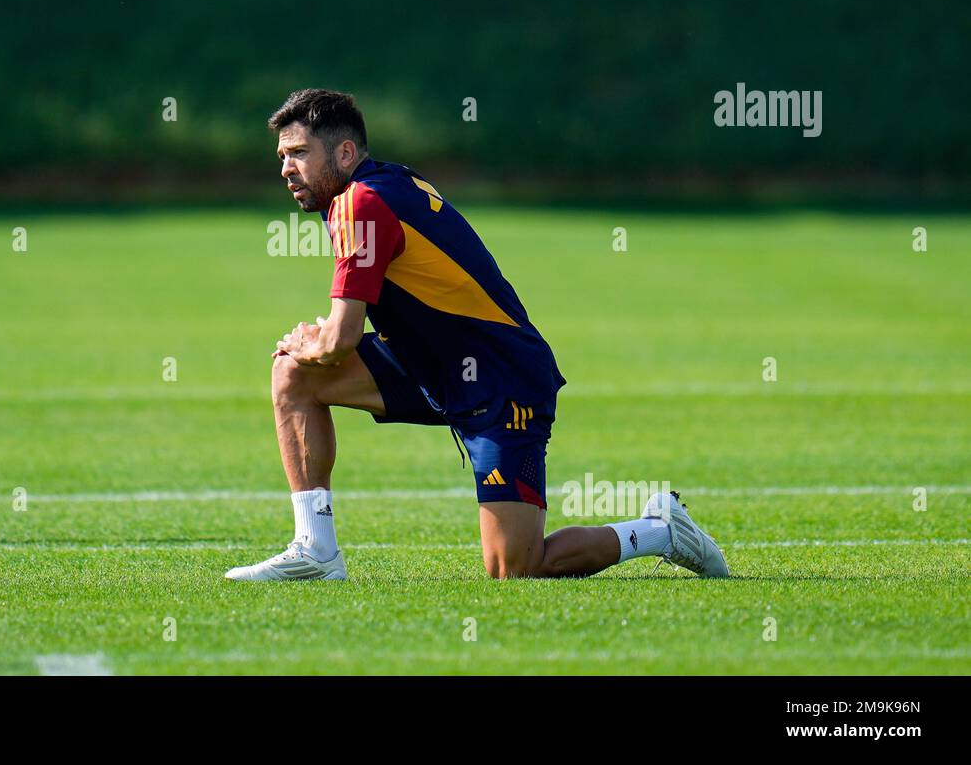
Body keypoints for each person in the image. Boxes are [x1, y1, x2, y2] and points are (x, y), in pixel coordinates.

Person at [225, 88, 729, 581]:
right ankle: (315, 550)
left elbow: (340, 339)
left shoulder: (363, 203)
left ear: (346, 152)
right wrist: (313, 345)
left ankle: (660, 530)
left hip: (499, 381)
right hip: (431, 367)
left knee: (515, 566)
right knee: (294, 374)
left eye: (298, 153)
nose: (286, 168)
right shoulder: (377, 187)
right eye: (282, 156)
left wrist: (311, 339)